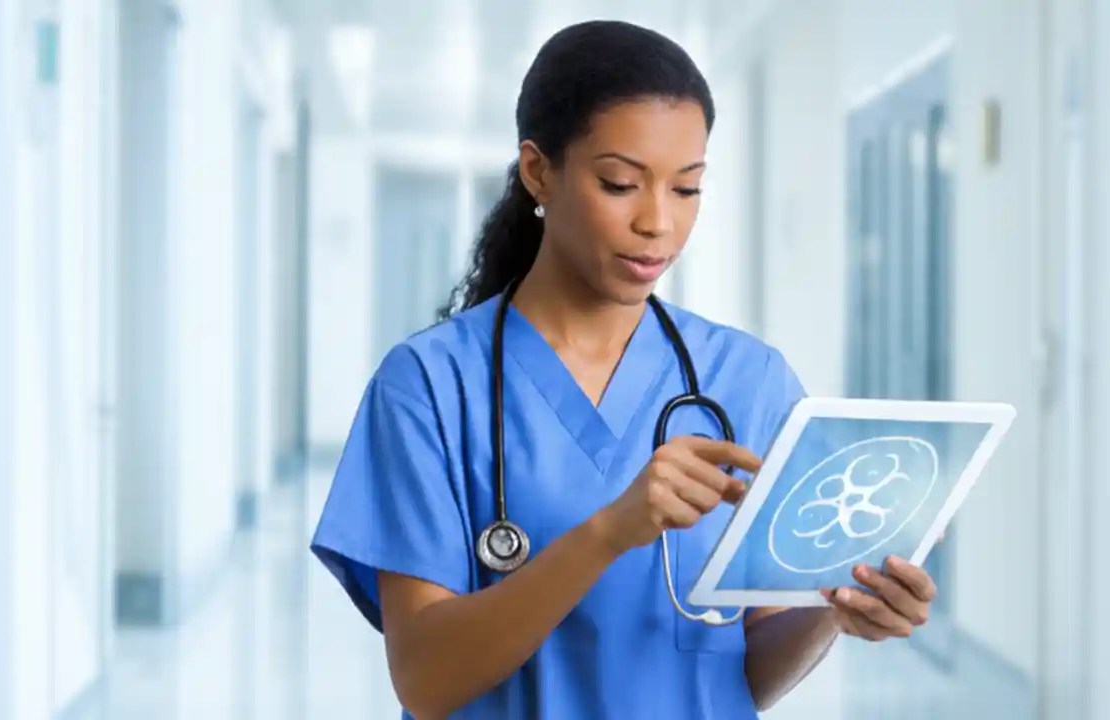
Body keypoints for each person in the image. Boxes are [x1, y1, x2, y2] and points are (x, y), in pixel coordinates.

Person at [311, 19, 937, 720]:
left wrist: (833, 609)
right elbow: (426, 681)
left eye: (687, 189)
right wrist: (608, 532)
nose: (657, 223)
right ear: (538, 170)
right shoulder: (429, 387)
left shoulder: (749, 382)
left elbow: (740, 673)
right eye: (620, 183)